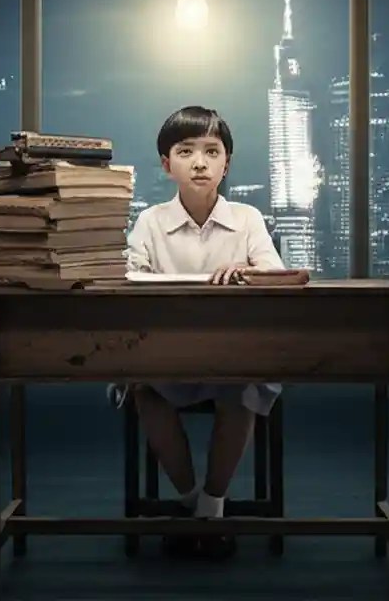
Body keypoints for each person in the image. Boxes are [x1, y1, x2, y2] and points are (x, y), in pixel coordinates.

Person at [119, 105, 285, 559]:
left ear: (226, 164)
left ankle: (208, 509)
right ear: (165, 163)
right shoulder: (151, 221)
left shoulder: (247, 218)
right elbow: (130, 276)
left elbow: (277, 273)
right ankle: (200, 505)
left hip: (231, 355)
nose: (199, 161)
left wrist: (247, 272)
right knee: (143, 389)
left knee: (242, 389)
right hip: (166, 356)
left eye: (212, 152)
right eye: (185, 150)